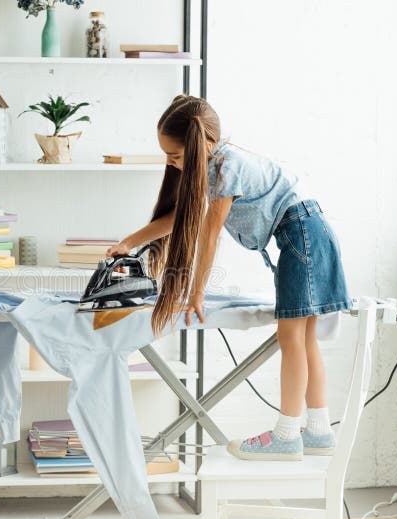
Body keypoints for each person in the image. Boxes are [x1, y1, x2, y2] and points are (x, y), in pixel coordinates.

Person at [107, 95, 351, 461]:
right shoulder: (216, 165)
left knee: (292, 337)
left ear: (201, 144)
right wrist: (130, 242)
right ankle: (318, 431)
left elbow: (208, 233)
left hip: (301, 234)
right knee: (305, 338)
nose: (169, 164)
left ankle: (287, 433)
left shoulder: (225, 168)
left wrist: (196, 292)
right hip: (308, 232)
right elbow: (179, 218)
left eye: (174, 156)